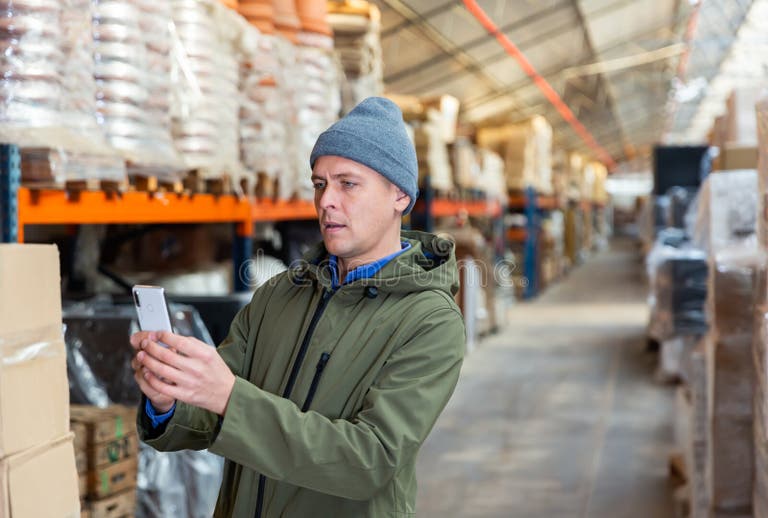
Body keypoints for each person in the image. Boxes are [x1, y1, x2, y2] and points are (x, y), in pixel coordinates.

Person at [130, 97, 465, 517]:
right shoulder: (279, 295)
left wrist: (230, 398)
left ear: (399, 194)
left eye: (348, 184)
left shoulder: (429, 321)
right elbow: (214, 410)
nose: (326, 201)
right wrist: (169, 401)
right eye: (320, 184)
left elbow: (369, 460)